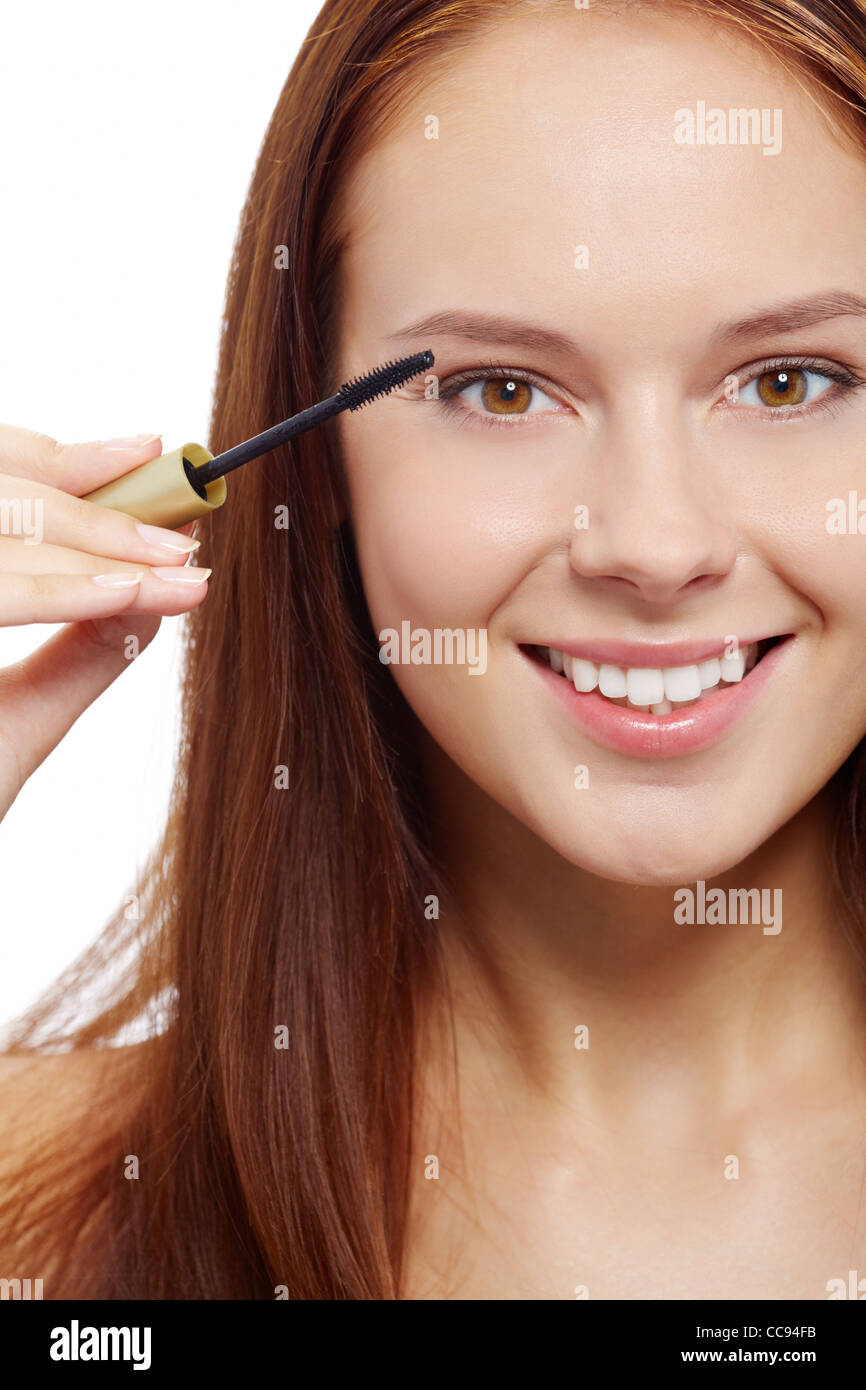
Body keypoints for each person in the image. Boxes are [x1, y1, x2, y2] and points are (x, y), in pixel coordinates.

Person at [2, 0, 866, 1300]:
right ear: (319, 456)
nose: (655, 542)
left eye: (790, 381)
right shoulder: (30, 1218)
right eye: (500, 391)